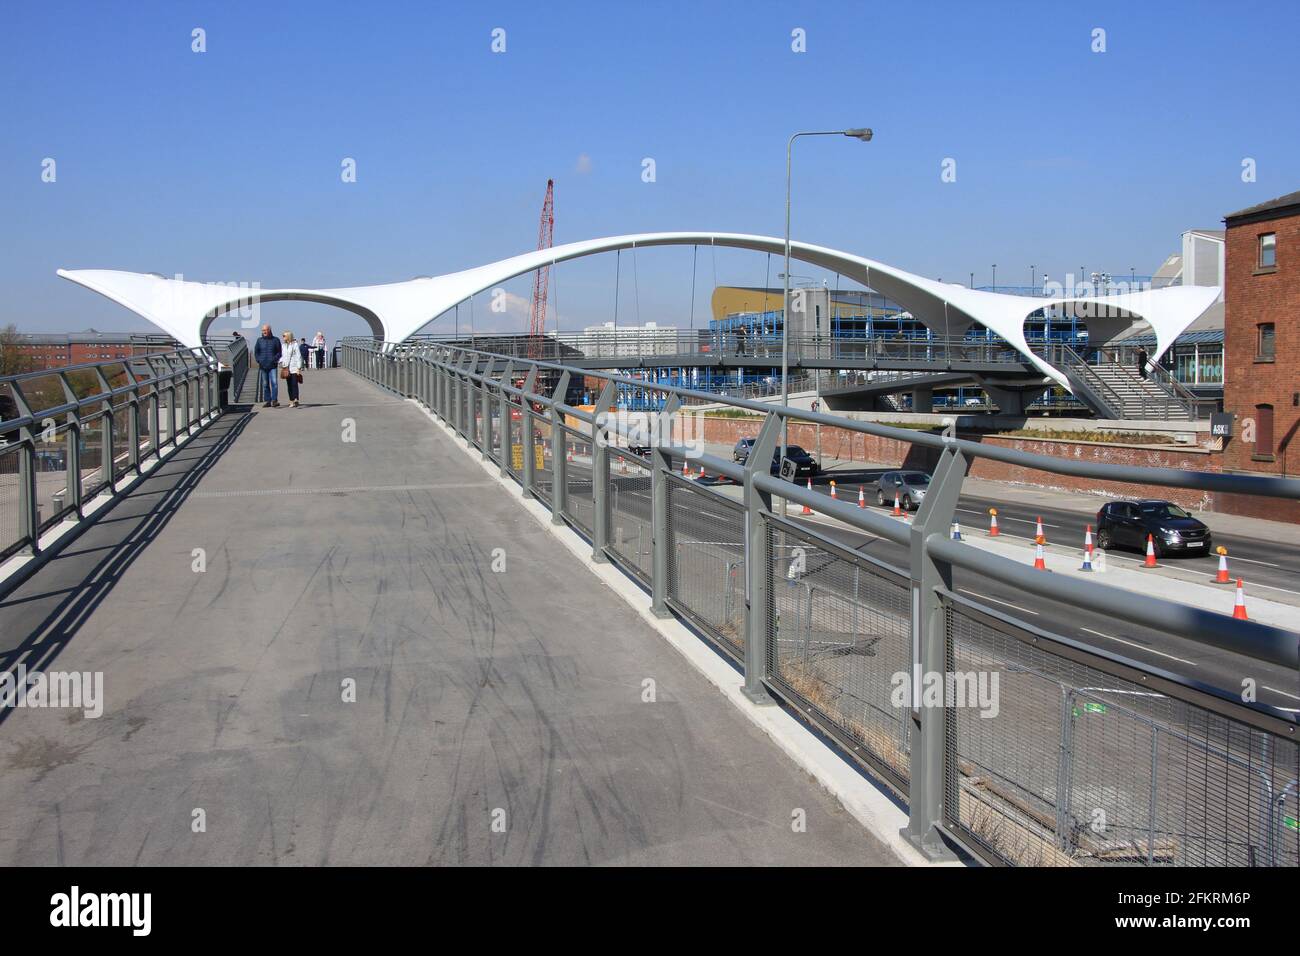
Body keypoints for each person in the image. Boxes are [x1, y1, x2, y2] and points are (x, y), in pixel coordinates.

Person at [253, 324, 282, 407]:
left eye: (265, 330)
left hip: (272, 365)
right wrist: (259, 360)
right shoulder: (259, 340)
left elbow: (279, 352)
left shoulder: (276, 340)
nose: (264, 332)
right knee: (265, 384)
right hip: (263, 366)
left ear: (269, 330)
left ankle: (274, 400)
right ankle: (268, 400)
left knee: (274, 383)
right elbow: (256, 352)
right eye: (263, 330)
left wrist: (274, 359)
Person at [280, 330, 304, 408]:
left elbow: (298, 356)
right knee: (289, 385)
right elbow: (283, 356)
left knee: (294, 384)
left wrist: (298, 367)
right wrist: (279, 361)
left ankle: (296, 399)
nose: (283, 337)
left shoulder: (295, 345)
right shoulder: (283, 345)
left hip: (294, 367)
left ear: (288, 336)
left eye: (284, 336)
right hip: (286, 368)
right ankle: (291, 400)